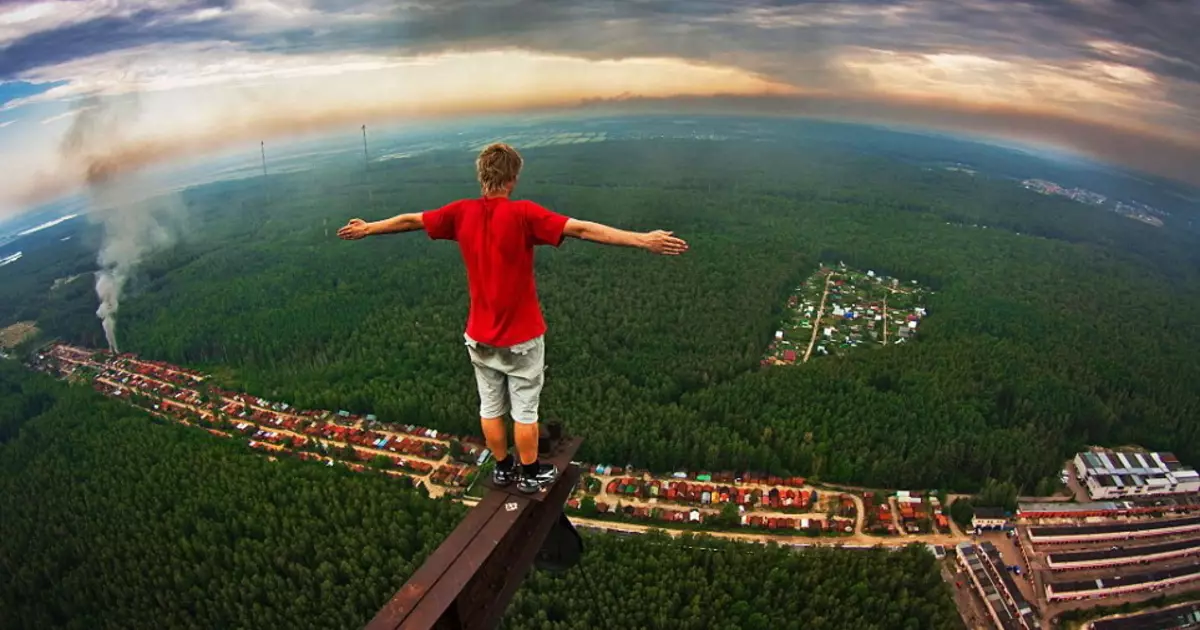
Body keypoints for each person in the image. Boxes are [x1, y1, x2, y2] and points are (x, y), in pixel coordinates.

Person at [338, 142, 688, 493]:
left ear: (482, 176)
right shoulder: (523, 213)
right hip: (522, 337)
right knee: (525, 411)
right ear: (513, 178)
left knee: (490, 406)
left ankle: (503, 469)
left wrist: (369, 228)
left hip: (478, 335)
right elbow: (581, 229)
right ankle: (531, 474)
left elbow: (411, 220)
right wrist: (643, 240)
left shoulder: (461, 212)